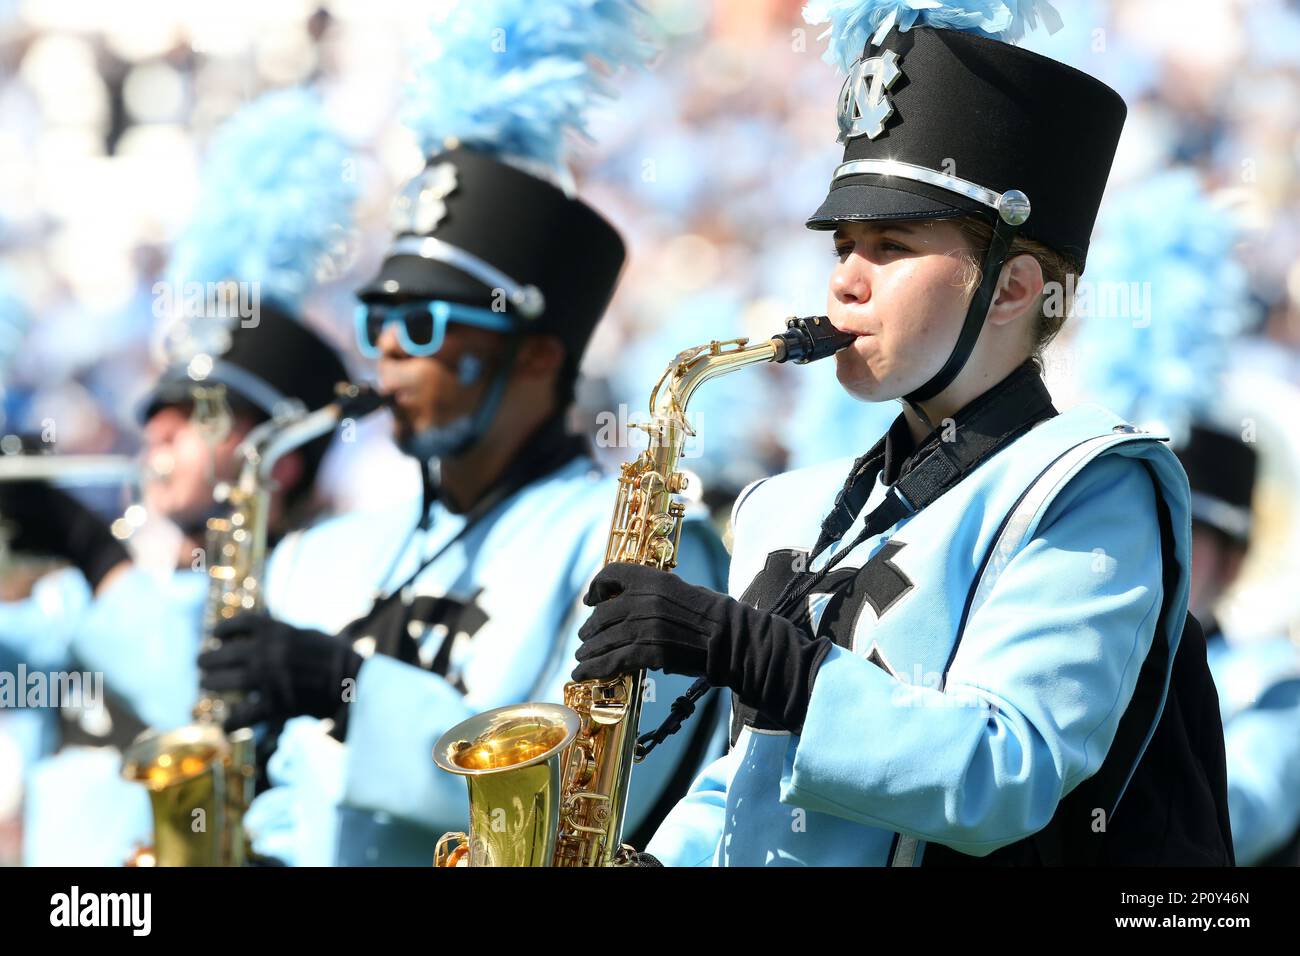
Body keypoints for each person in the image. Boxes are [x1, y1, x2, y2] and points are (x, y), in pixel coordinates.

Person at [572, 2, 1223, 866]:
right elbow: (753, 778)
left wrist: (762, 655)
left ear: (1013, 287)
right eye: (843, 242)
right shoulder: (788, 505)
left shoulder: (1090, 487)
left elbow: (1002, 773)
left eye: (889, 244)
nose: (843, 280)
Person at [198, 0, 730, 866]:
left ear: (534, 357)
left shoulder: (633, 546)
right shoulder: (326, 554)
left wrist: (348, 690)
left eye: (427, 326)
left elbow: (588, 809)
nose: (388, 357)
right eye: (378, 320)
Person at [0, 88, 358, 865]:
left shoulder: (319, 590)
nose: (157, 435)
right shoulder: (123, 588)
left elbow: (195, 701)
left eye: (196, 419)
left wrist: (91, 552)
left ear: (282, 459)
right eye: (155, 417)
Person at [1178, 424, 1300, 865]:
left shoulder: (1271, 683)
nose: (1154, 549)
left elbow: (1236, 819)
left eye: (1183, 532)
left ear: (1231, 564)